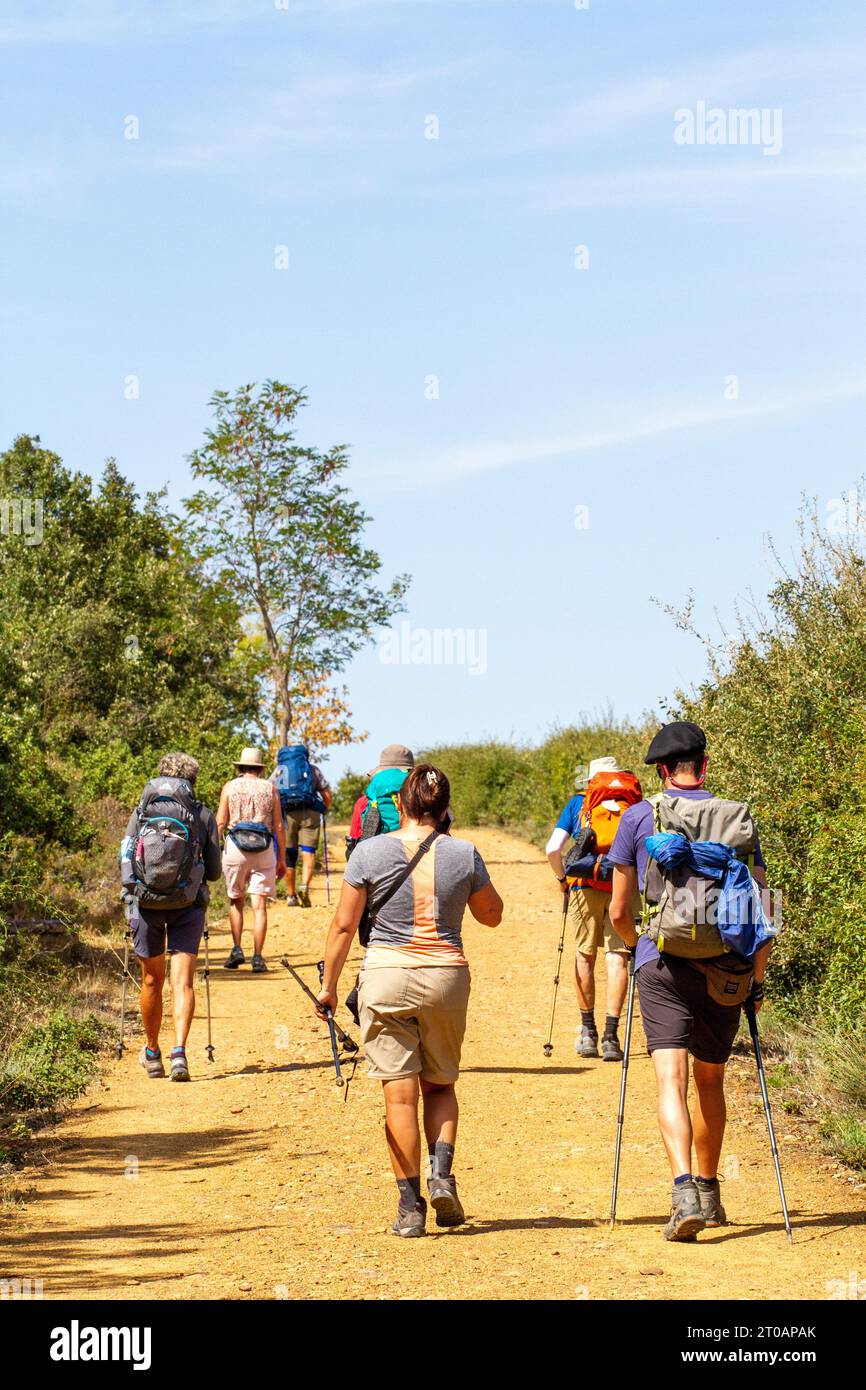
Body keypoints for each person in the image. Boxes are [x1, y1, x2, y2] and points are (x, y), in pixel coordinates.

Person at [315, 763, 503, 1238]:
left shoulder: (369, 853)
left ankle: (409, 1208)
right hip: (445, 976)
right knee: (439, 1087)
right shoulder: (464, 853)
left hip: (386, 977)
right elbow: (492, 917)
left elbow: (342, 925)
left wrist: (329, 986)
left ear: (399, 805)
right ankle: (443, 1175)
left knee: (398, 1095)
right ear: (445, 810)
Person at [608, 720, 773, 1242]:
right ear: (705, 765)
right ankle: (710, 1189)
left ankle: (683, 1195)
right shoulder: (736, 819)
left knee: (670, 1081)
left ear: (660, 771)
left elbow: (617, 911)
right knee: (710, 1080)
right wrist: (756, 980)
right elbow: (762, 909)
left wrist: (638, 948)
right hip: (727, 967)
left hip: (662, 961)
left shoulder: (638, 818)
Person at [119, 752, 221, 1082]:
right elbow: (216, 872)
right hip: (187, 905)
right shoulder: (201, 813)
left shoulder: (141, 812)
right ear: (192, 780)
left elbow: (125, 859)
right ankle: (179, 1053)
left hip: (145, 904)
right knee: (182, 982)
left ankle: (152, 1052)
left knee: (151, 980)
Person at [546, 757, 643, 1060]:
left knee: (584, 957)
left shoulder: (579, 804)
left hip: (583, 886)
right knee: (618, 960)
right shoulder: (636, 807)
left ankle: (588, 1033)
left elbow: (553, 848)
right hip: (623, 887)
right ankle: (612, 1038)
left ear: (591, 780)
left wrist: (563, 879)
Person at [217, 747, 286, 972]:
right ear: (259, 768)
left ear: (240, 767)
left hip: (235, 847)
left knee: (236, 900)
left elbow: (220, 822)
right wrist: (282, 858)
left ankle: (237, 949)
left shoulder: (230, 787)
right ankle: (258, 957)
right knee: (259, 906)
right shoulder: (270, 788)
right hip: (263, 848)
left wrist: (215, 848)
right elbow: (278, 826)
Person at [271, 744, 331, 907]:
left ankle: (291, 896)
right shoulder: (313, 770)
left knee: (289, 855)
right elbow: (326, 793)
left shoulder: (279, 771)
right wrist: (324, 809)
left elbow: (271, 793)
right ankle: (304, 885)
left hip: (286, 814)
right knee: (308, 852)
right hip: (310, 812)